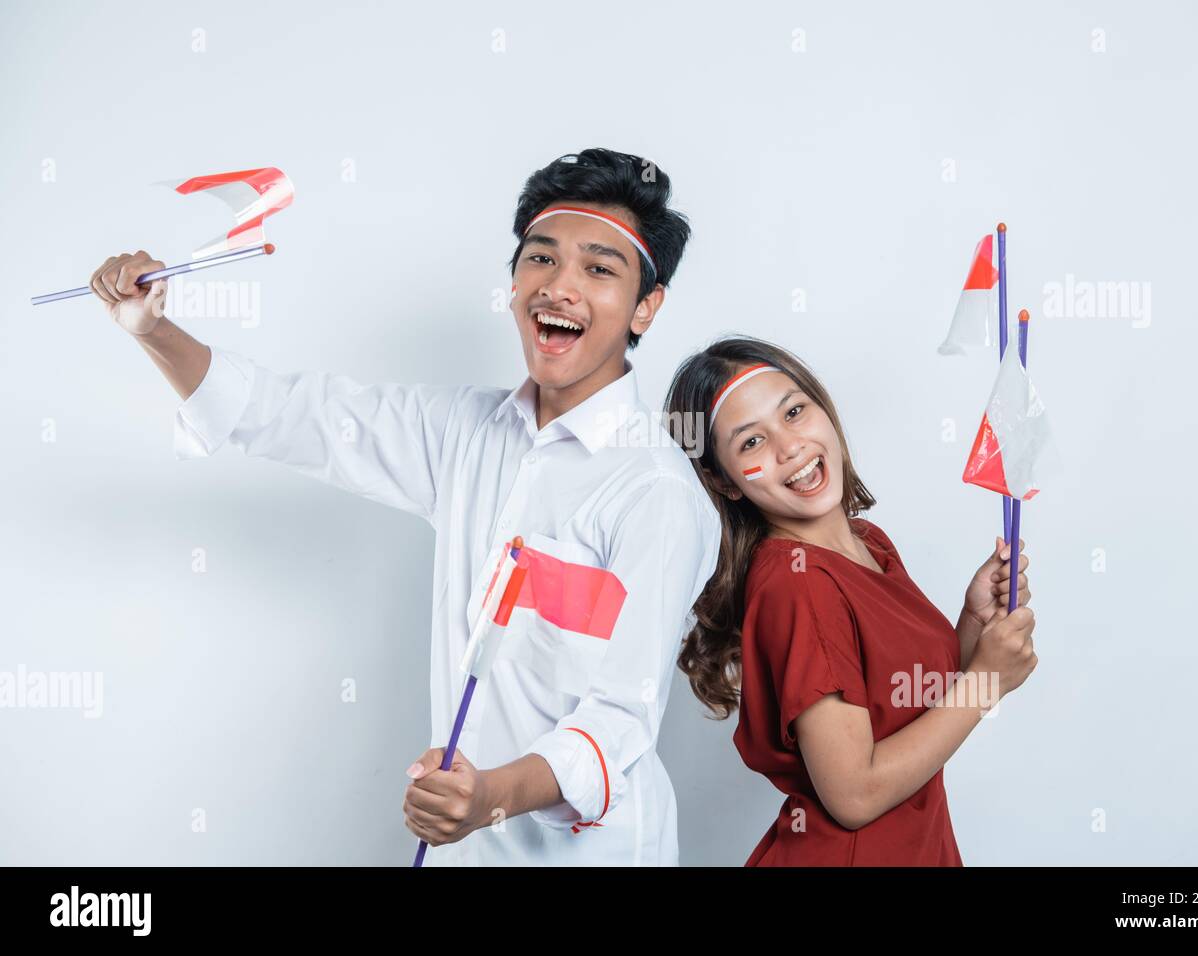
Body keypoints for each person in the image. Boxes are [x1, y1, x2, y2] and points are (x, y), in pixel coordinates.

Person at [87, 148, 721, 866]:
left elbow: (620, 720)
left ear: (646, 305)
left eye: (600, 270)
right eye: (540, 259)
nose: (560, 288)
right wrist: (151, 329)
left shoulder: (655, 491)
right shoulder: (464, 433)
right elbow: (288, 412)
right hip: (460, 848)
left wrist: (489, 797)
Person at [663, 336, 1037, 865]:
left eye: (794, 411)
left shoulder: (871, 544)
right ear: (722, 483)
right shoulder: (797, 583)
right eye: (751, 443)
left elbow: (908, 708)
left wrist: (974, 621)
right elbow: (853, 794)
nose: (789, 446)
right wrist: (985, 684)